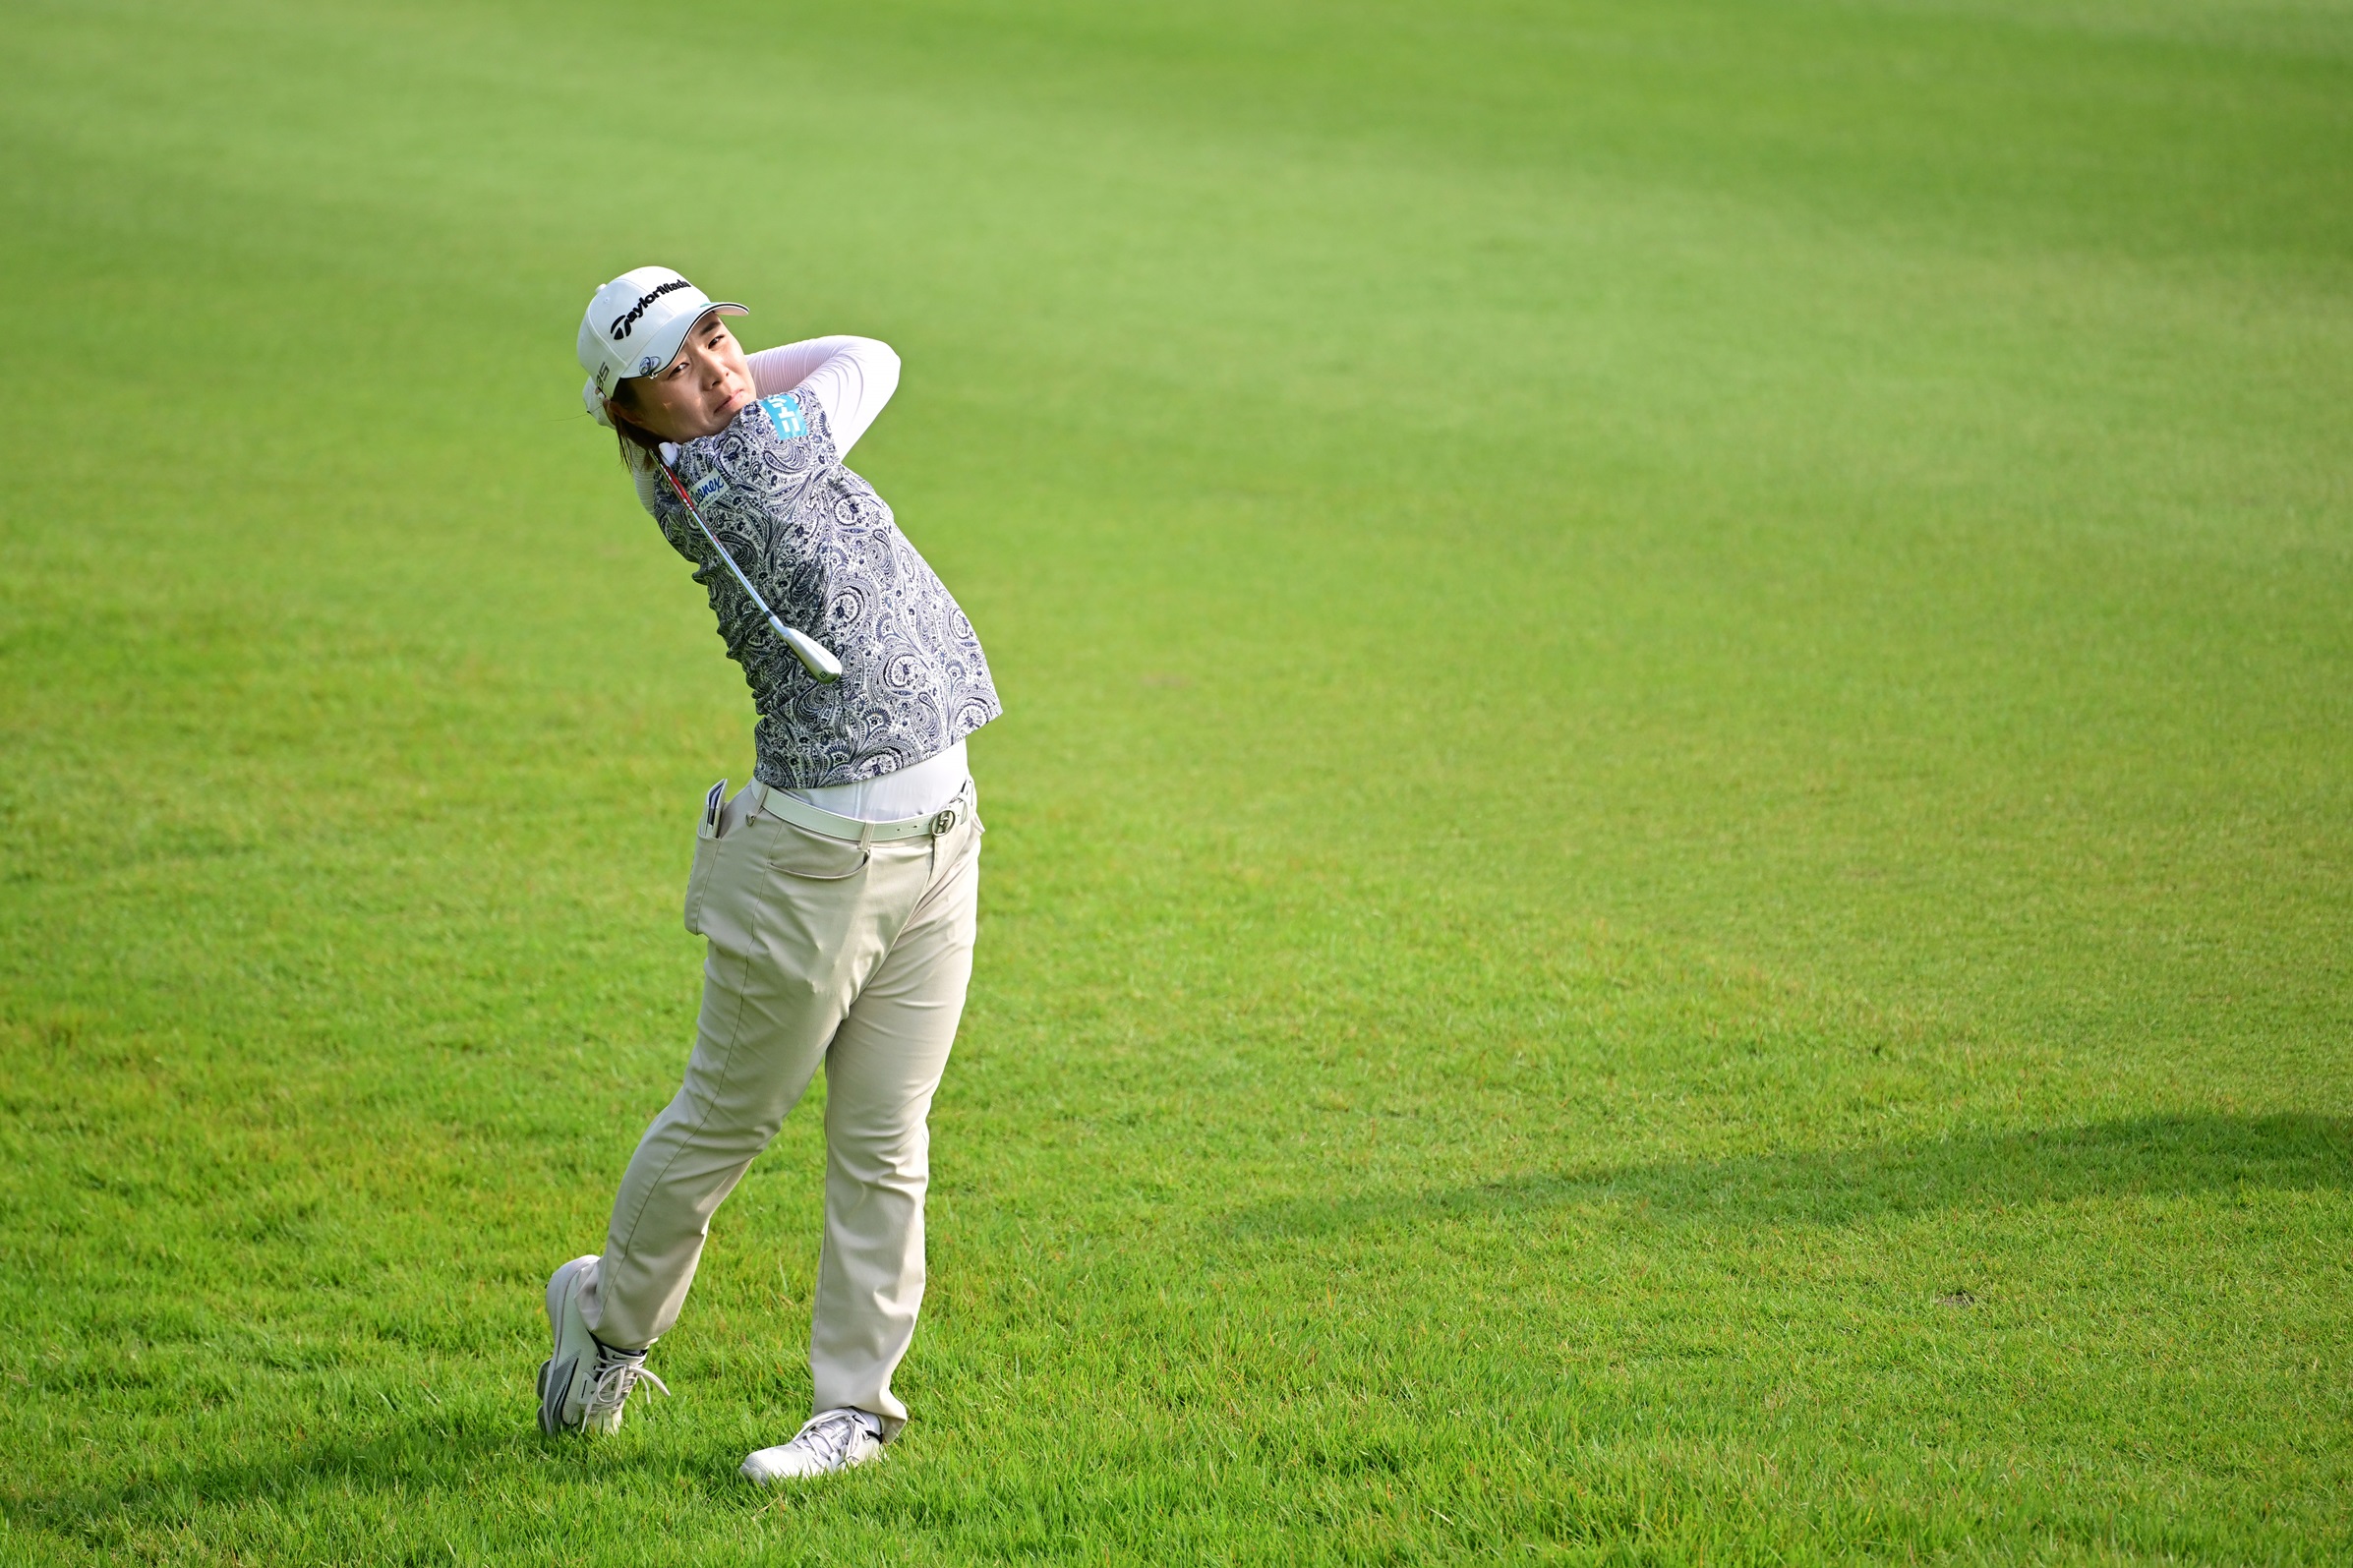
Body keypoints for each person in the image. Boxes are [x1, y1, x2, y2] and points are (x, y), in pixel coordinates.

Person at [536, 265, 1001, 1482]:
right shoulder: (747, 466)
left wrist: (716, 377)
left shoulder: (715, 444)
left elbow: (825, 366)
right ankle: (606, 1327)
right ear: (631, 412)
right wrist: (739, 393)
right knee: (722, 1123)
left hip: (941, 838)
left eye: (716, 338)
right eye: (674, 371)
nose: (716, 372)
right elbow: (869, 352)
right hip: (813, 868)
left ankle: (853, 1409)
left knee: (886, 1139)